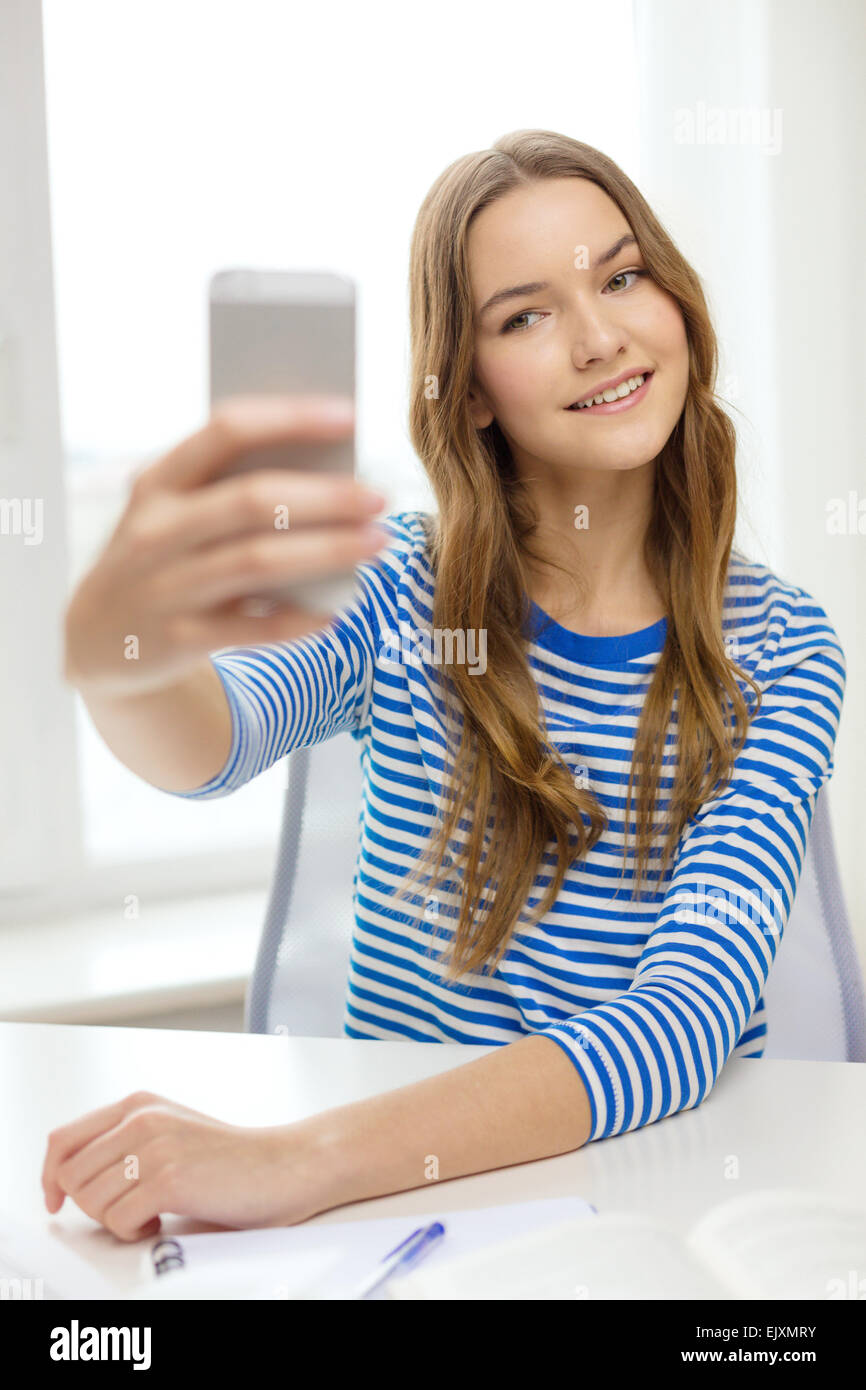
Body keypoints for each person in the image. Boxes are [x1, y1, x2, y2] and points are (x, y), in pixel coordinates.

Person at [44, 129, 846, 1241]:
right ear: (466, 390)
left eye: (619, 276)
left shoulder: (782, 650)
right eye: (525, 315)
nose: (599, 336)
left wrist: (292, 1162)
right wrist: (119, 658)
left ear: (675, 301)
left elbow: (683, 1016)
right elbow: (211, 741)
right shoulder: (398, 592)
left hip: (646, 1205)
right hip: (397, 1218)